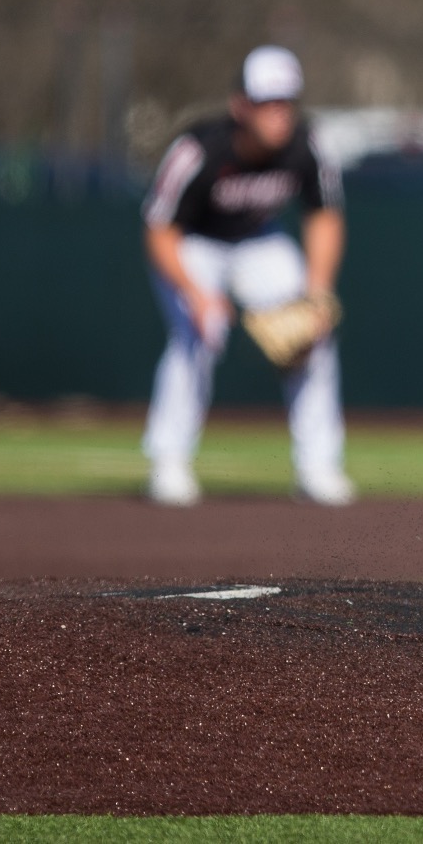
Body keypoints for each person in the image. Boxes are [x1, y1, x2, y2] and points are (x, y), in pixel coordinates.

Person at [140, 45, 354, 507]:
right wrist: (198, 295)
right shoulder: (198, 149)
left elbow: (324, 217)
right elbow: (159, 230)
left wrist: (317, 292)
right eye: (267, 103)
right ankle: (169, 462)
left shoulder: (307, 144)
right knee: (199, 334)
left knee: (311, 331)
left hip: (260, 242)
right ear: (242, 105)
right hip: (192, 245)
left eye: (286, 103)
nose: (279, 114)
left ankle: (319, 466)